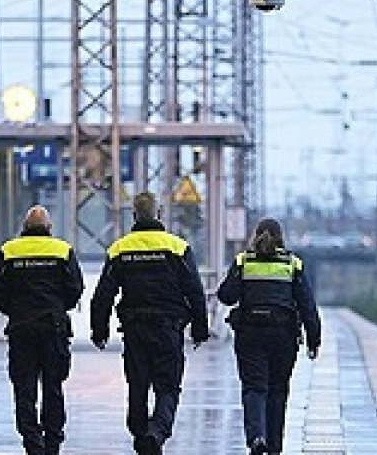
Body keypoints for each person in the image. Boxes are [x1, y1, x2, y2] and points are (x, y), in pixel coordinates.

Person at [90, 192, 209, 455]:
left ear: (134, 215)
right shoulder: (177, 248)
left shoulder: (120, 249)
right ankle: (155, 433)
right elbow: (195, 291)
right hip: (168, 328)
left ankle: (141, 431)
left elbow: (103, 295)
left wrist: (99, 331)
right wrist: (200, 329)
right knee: (168, 387)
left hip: (134, 330)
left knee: (138, 384)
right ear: (158, 214)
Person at [217, 218, 321, 455]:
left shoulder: (244, 261)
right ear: (280, 237)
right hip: (283, 337)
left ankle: (256, 437)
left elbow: (226, 296)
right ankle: (274, 447)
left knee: (254, 388)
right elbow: (307, 306)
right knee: (278, 390)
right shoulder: (293, 264)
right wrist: (313, 340)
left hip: (250, 335)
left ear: (256, 236)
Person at [0, 206, 84, 455]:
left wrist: (13, 311)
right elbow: (75, 287)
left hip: (21, 329)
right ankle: (52, 443)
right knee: (53, 386)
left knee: (24, 388)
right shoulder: (62, 250)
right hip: (53, 329)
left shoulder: (9, 251)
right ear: (49, 228)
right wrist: (60, 308)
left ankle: (32, 442)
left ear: (24, 227)